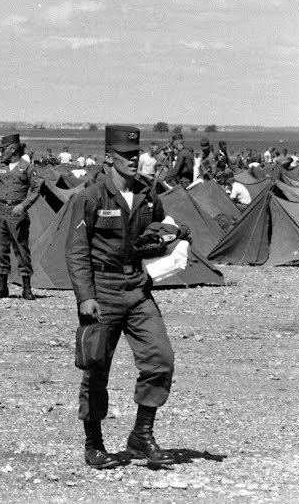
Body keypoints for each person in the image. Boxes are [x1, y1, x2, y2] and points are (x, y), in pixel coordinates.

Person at [65, 124, 185, 470]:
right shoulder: (90, 197)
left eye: (137, 155)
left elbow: (165, 227)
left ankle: (141, 435)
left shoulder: (148, 196)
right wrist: (85, 297)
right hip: (102, 291)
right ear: (108, 157)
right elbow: (76, 252)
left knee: (161, 359)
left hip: (137, 289)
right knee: (96, 367)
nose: (134, 161)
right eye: (127, 156)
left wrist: (166, 251)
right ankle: (94, 444)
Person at [0, 133, 42, 300]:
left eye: (4, 149)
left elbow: (36, 190)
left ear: (13, 148)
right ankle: (2, 287)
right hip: (0, 209)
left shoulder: (28, 167)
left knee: (20, 248)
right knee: (0, 248)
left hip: (17, 211)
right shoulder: (2, 167)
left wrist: (23, 205)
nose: (1, 152)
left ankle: (26, 288)